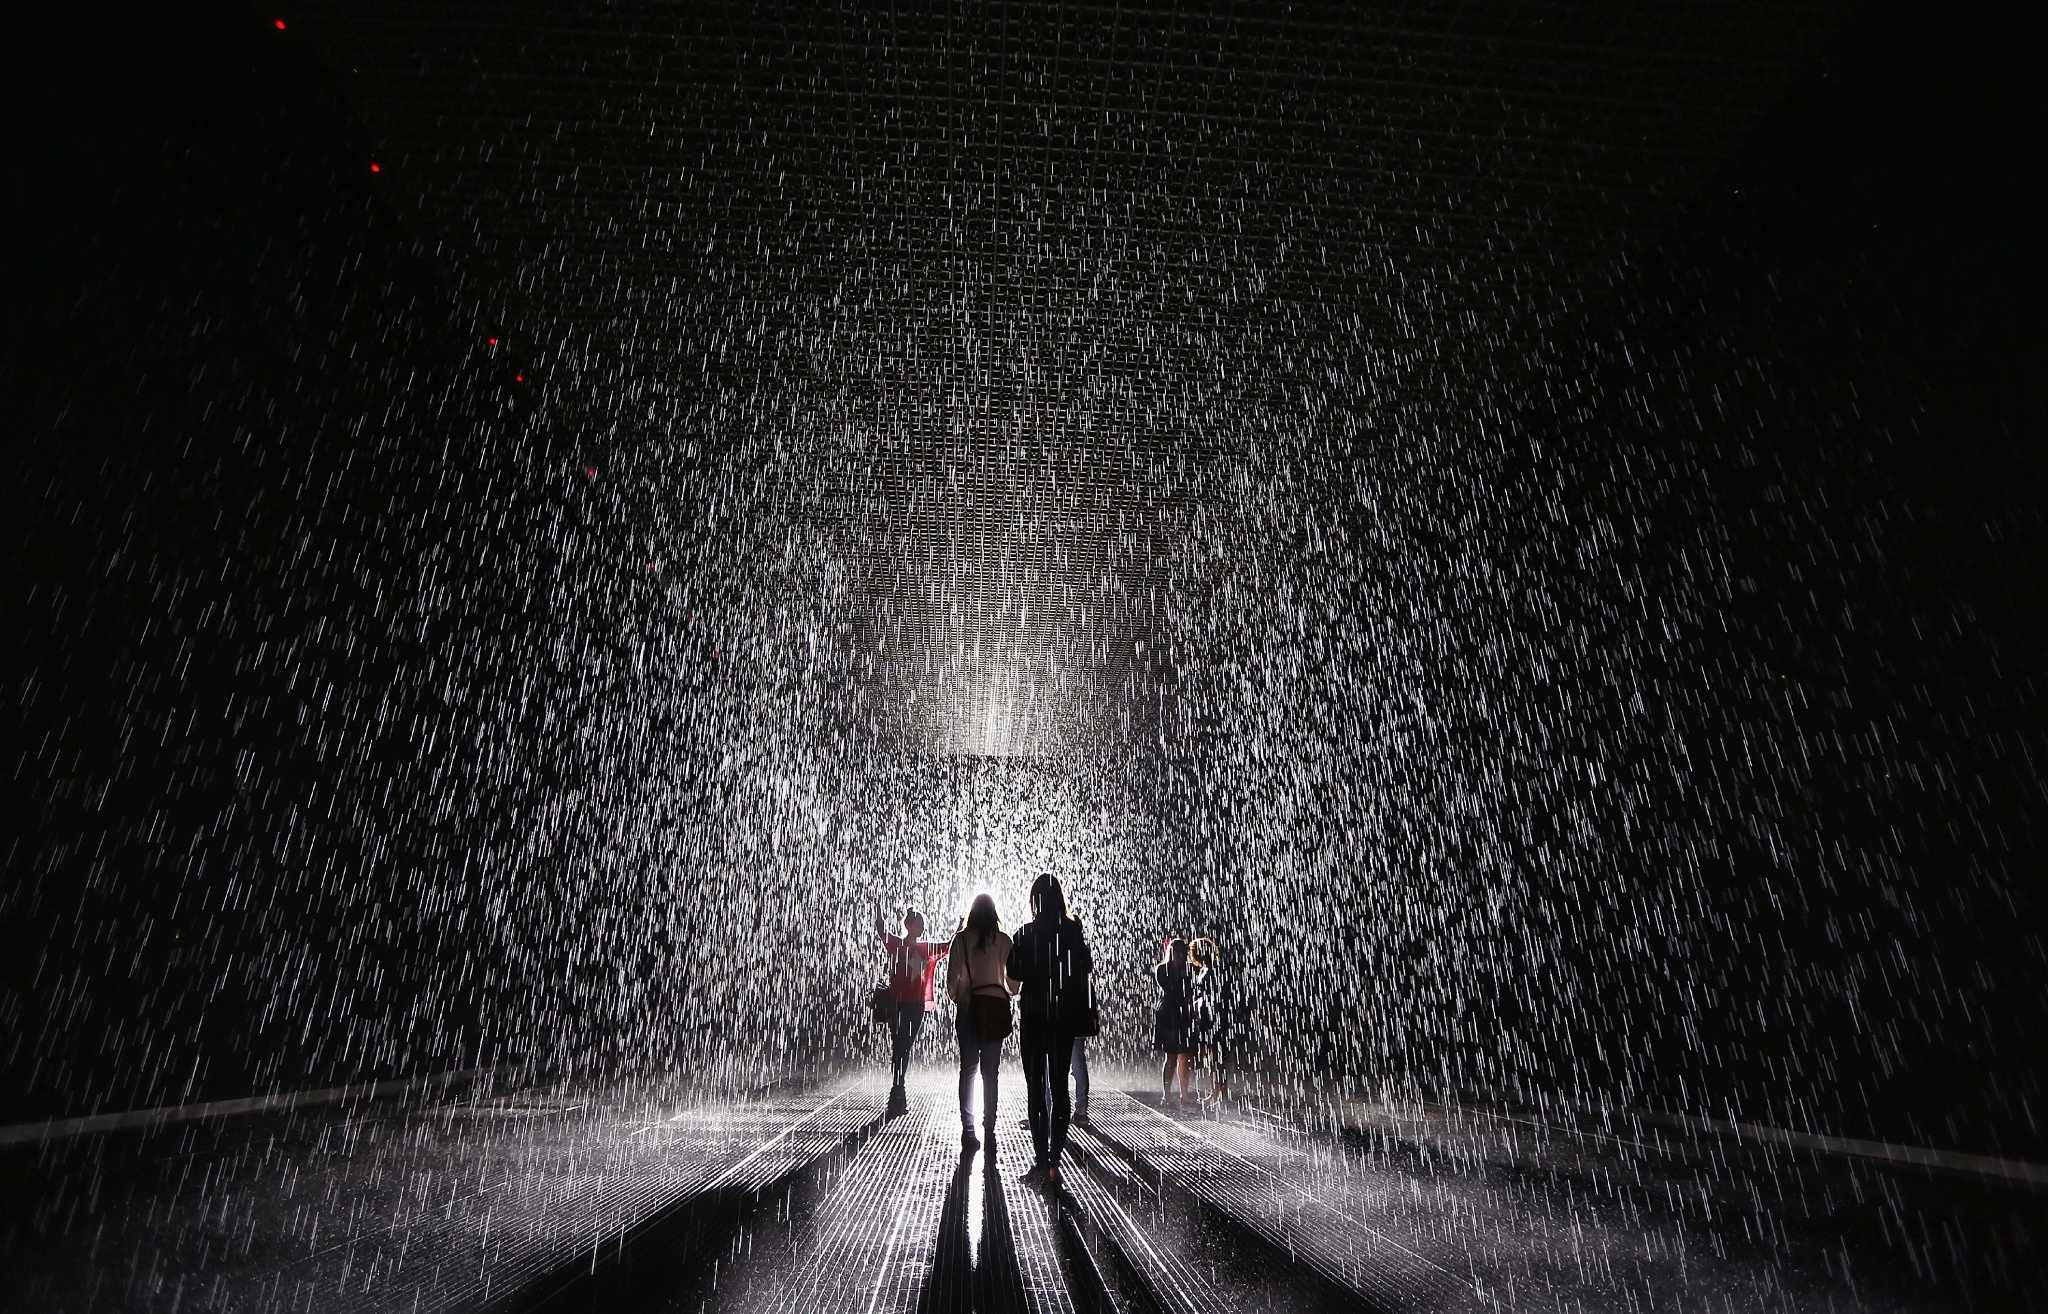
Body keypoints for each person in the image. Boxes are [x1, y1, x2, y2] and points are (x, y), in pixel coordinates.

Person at [1005, 873, 1092, 1187]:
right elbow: (1085, 970)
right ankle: (1055, 1161)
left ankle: (1041, 1162)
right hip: (1063, 1020)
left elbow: (1014, 977)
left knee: (1036, 1090)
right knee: (1059, 1087)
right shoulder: (1072, 932)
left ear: (1034, 900)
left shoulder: (1024, 933)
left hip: (1033, 1019)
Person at [946, 893, 1018, 1149]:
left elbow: (951, 984)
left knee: (968, 1070)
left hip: (968, 1011)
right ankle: (990, 1127)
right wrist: (998, 987)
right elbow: (1014, 986)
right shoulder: (1004, 941)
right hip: (995, 1012)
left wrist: (963, 997)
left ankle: (968, 1129)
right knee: (991, 1073)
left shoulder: (960, 940)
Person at [875, 901, 951, 1115]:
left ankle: (897, 1089)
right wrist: (878, 910)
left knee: (901, 1045)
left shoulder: (902, 946)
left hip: (904, 1004)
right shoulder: (911, 947)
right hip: (908, 1005)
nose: (923, 929)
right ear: (910, 926)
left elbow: (948, 946)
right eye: (921, 925)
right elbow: (948, 946)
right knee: (902, 1046)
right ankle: (898, 1090)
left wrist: (960, 927)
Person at [1154, 936, 1196, 1103]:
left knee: (1184, 1056)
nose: (1181, 955)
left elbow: (1190, 992)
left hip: (1183, 1014)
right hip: (1168, 1015)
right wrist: (1180, 975)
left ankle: (1184, 1094)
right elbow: (1169, 989)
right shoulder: (1161, 969)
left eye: (1183, 952)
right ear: (1171, 952)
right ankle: (1167, 1094)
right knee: (1170, 1056)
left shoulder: (1188, 969)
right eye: (1178, 952)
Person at [1190, 936, 1225, 1103]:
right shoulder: (1205, 968)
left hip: (1211, 1016)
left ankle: (1218, 1092)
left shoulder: (1212, 969)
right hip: (1206, 1015)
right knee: (1211, 1056)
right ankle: (1216, 1091)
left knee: (1214, 1056)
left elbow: (1214, 994)